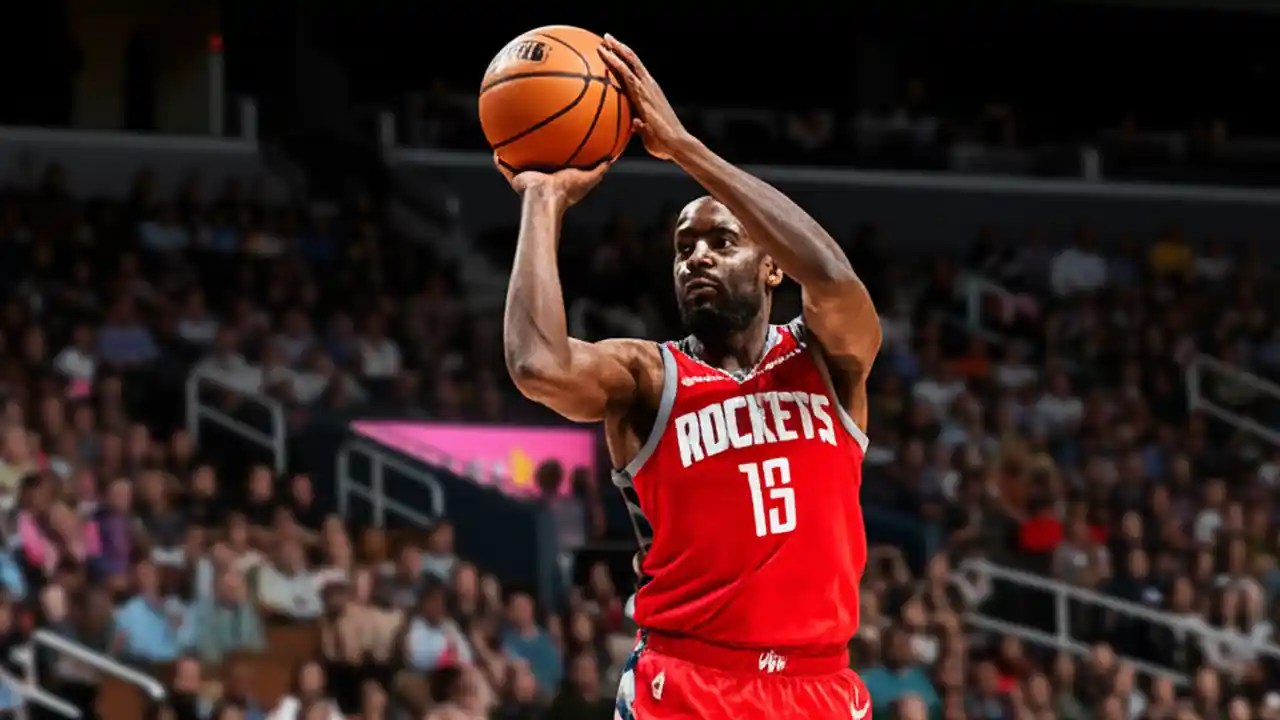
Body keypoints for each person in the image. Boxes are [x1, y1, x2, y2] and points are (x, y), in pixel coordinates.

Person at [497, 33, 881, 720]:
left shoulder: (830, 358)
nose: (696, 258)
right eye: (683, 248)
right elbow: (536, 364)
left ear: (772, 267)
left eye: (722, 242)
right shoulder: (647, 377)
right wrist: (541, 198)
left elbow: (831, 275)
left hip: (818, 688)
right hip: (688, 684)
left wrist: (683, 149)